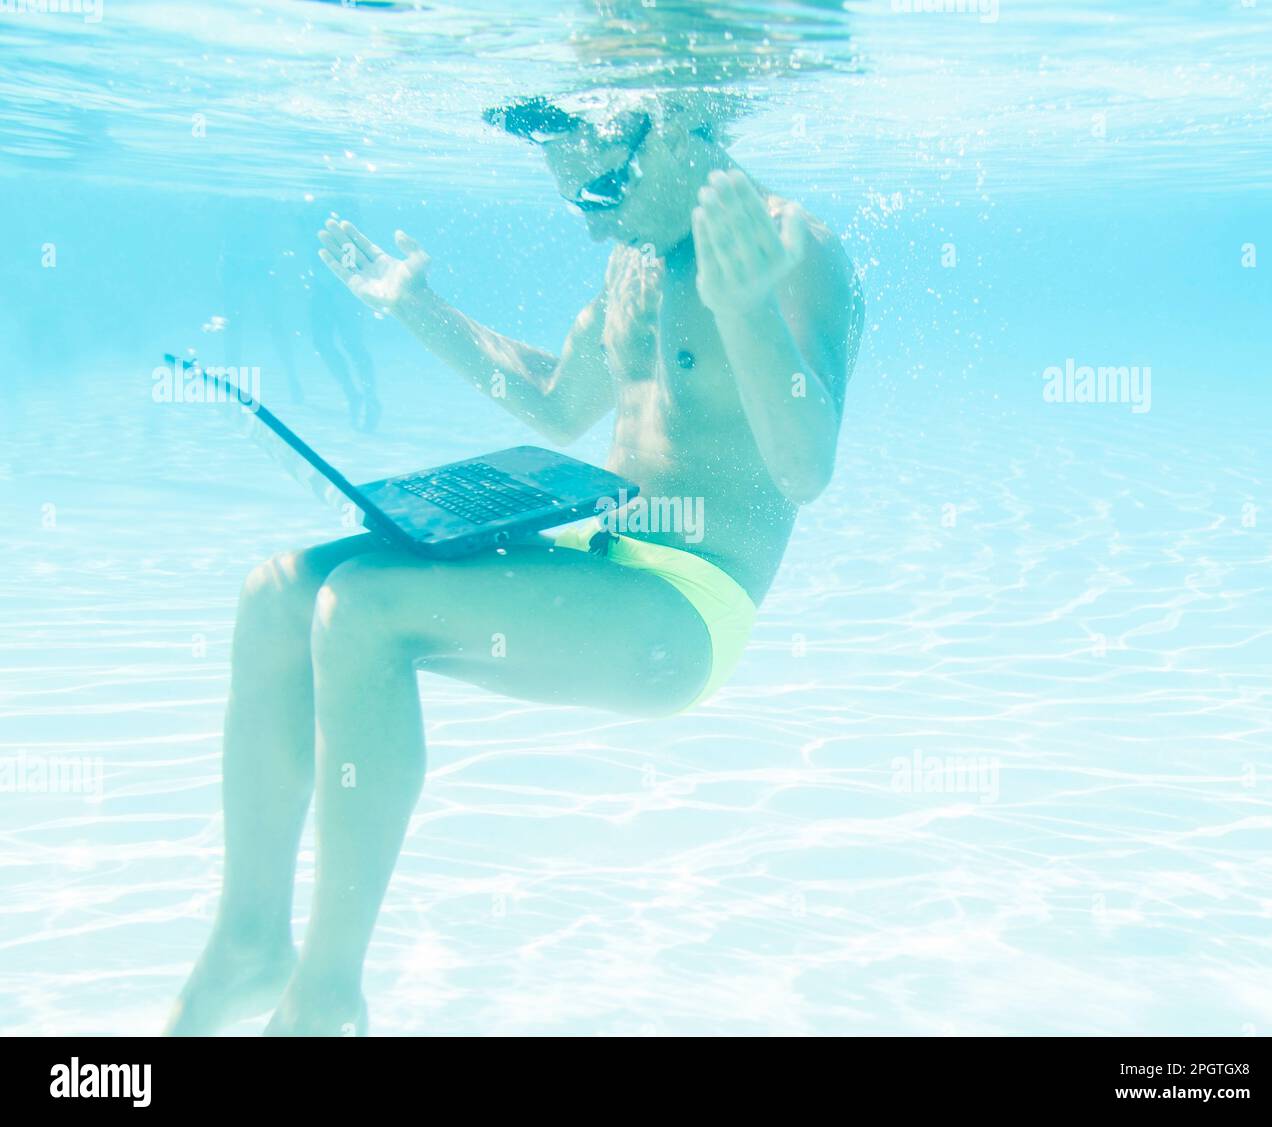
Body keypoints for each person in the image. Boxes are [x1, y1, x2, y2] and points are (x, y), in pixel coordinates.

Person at [163, 92, 863, 1036]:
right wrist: (418, 308)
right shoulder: (637, 251)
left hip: (684, 604)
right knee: (281, 592)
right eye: (576, 202)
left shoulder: (792, 245)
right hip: (588, 551)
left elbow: (806, 467)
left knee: (363, 610)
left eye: (603, 191)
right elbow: (556, 402)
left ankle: (328, 995)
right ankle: (247, 942)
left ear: (677, 130)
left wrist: (747, 312)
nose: (595, 224)